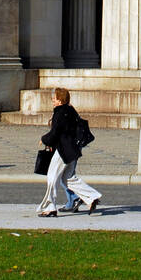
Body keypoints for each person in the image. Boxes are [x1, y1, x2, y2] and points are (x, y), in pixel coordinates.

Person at [38, 87, 101, 217]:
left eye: (54, 98)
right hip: (73, 150)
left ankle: (50, 207)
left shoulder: (59, 112)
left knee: (52, 177)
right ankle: (92, 196)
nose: (53, 101)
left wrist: (44, 139)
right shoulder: (71, 110)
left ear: (60, 100)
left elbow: (55, 133)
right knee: (68, 178)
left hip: (63, 150)